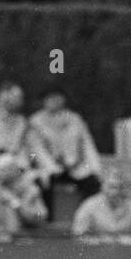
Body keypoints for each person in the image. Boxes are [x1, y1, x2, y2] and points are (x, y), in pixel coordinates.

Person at [0, 82, 56, 199]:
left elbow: (35, 148)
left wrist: (49, 167)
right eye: (17, 97)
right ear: (3, 96)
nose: (21, 101)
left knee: (41, 180)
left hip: (16, 168)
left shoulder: (22, 122)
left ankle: (43, 217)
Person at [29, 88, 102, 220]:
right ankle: (47, 222)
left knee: (93, 182)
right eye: (50, 98)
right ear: (44, 101)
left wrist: (96, 168)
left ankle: (84, 220)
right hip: (49, 168)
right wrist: (53, 167)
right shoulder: (36, 121)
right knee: (41, 183)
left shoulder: (75, 119)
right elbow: (37, 149)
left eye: (57, 97)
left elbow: (87, 144)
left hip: (74, 167)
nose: (54, 101)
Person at [0, 157, 48, 242]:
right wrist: (2, 232)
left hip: (26, 241)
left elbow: (40, 217)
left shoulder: (31, 190)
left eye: (4, 170)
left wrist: (18, 205)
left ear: (15, 170)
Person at [71, 169, 131, 243]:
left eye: (119, 187)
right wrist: (99, 241)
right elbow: (77, 236)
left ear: (124, 189)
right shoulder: (88, 206)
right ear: (102, 186)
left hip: (125, 252)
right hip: (96, 253)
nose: (115, 192)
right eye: (111, 186)